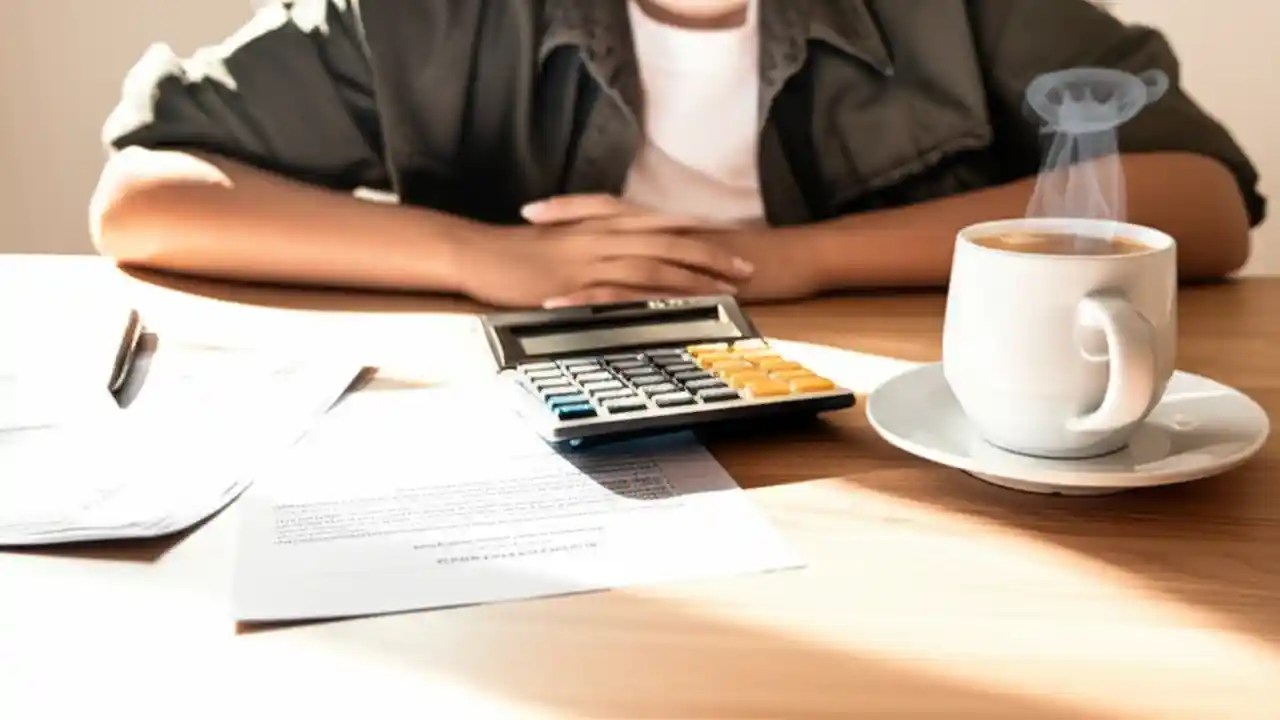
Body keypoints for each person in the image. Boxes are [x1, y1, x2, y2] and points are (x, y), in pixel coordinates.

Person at [91, 0, 1265, 308]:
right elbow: (144, 198)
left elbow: (1200, 206)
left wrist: (796, 261)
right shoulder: (419, 13)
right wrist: (483, 258)